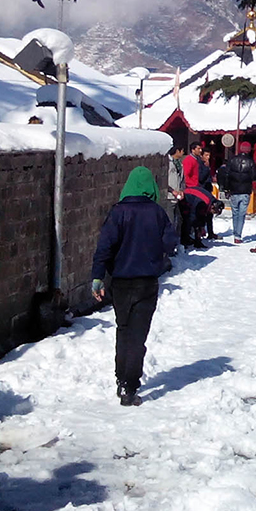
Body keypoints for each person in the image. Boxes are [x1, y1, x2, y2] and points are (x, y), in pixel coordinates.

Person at [90, 166, 178, 407]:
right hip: (146, 282)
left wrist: (97, 277)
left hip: (120, 282)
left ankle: (121, 379)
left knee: (123, 329)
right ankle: (130, 385)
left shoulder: (118, 213)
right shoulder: (158, 213)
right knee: (138, 336)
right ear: (150, 187)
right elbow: (170, 243)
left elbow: (104, 247)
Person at [219, 142, 256, 243]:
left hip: (234, 190)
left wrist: (226, 189)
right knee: (241, 213)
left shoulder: (232, 160)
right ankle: (238, 235)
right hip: (245, 190)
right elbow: (254, 176)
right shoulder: (251, 161)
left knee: (235, 212)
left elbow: (226, 175)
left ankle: (236, 232)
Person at [180, 142, 214, 248]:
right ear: (193, 149)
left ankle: (196, 237)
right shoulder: (189, 160)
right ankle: (188, 237)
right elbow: (186, 174)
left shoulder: (197, 160)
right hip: (191, 190)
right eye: (198, 148)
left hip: (197, 188)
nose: (200, 151)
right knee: (192, 215)